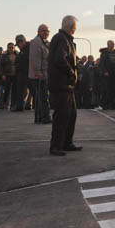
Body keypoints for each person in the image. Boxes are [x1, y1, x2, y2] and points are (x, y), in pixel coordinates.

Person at [47, 15, 81, 156]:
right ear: (72, 28)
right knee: (61, 115)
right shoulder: (61, 39)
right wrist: (71, 72)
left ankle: (67, 142)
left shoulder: (64, 39)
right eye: (75, 27)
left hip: (66, 85)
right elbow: (59, 59)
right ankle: (56, 146)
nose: (75, 30)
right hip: (61, 84)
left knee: (71, 114)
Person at [29, 24, 52, 124]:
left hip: (43, 74)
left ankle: (39, 117)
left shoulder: (44, 42)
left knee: (41, 97)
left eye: (47, 31)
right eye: (44, 31)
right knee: (42, 97)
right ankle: (44, 117)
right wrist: (38, 72)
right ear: (38, 31)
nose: (46, 33)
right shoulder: (37, 42)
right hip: (38, 75)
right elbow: (35, 58)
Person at [98, 40, 115, 109]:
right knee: (106, 90)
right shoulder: (104, 53)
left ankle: (112, 104)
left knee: (113, 90)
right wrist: (104, 71)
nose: (113, 45)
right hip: (106, 74)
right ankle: (104, 104)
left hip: (114, 74)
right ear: (108, 45)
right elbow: (101, 64)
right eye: (111, 44)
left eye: (113, 44)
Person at [12, 34, 31, 111]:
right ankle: (20, 105)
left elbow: (26, 61)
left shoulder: (29, 49)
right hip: (22, 73)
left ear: (23, 42)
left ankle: (23, 105)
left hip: (27, 73)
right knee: (20, 90)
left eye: (19, 44)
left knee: (29, 90)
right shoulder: (23, 51)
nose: (18, 47)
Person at [0, 44, 17, 109]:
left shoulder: (17, 54)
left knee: (15, 90)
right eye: (9, 48)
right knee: (7, 90)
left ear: (14, 48)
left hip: (15, 75)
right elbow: (1, 66)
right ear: (7, 48)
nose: (11, 49)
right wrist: (3, 74)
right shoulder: (4, 56)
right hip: (8, 75)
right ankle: (4, 104)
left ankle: (13, 104)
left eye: (12, 47)